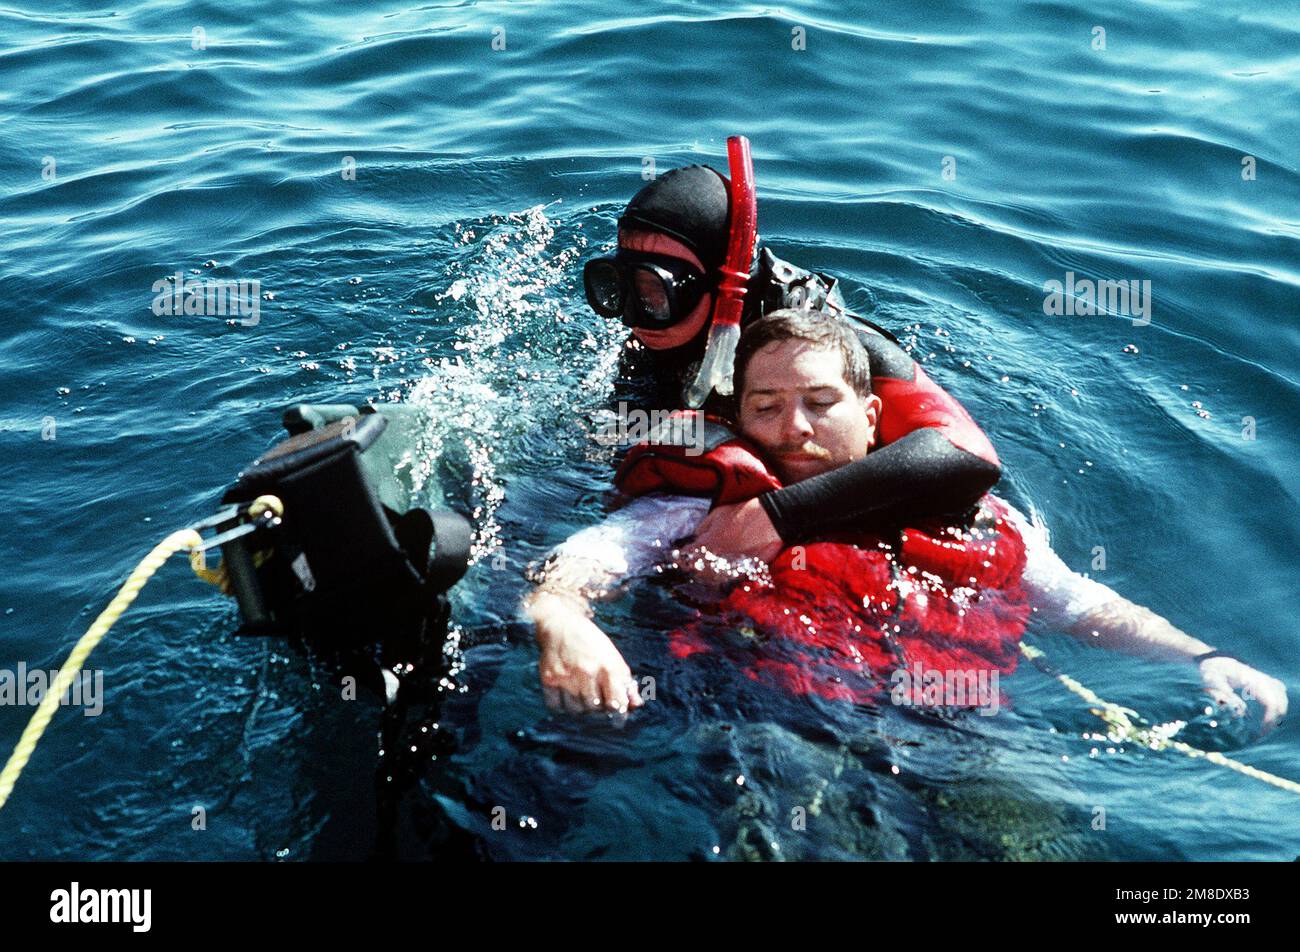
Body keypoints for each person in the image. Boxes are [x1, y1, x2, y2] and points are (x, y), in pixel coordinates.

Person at [524, 309, 1288, 729]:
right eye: (767, 408)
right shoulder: (702, 506)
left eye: (820, 403)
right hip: (765, 732)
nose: (794, 428)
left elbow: (1084, 605)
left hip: (964, 737)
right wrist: (563, 620)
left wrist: (1200, 656)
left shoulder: (971, 512)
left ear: (871, 411)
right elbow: (580, 566)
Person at [583, 153, 1002, 566]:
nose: (635, 314)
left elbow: (968, 456)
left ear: (727, 287)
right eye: (622, 287)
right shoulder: (650, 345)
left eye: (658, 291)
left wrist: (777, 516)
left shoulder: (821, 346)